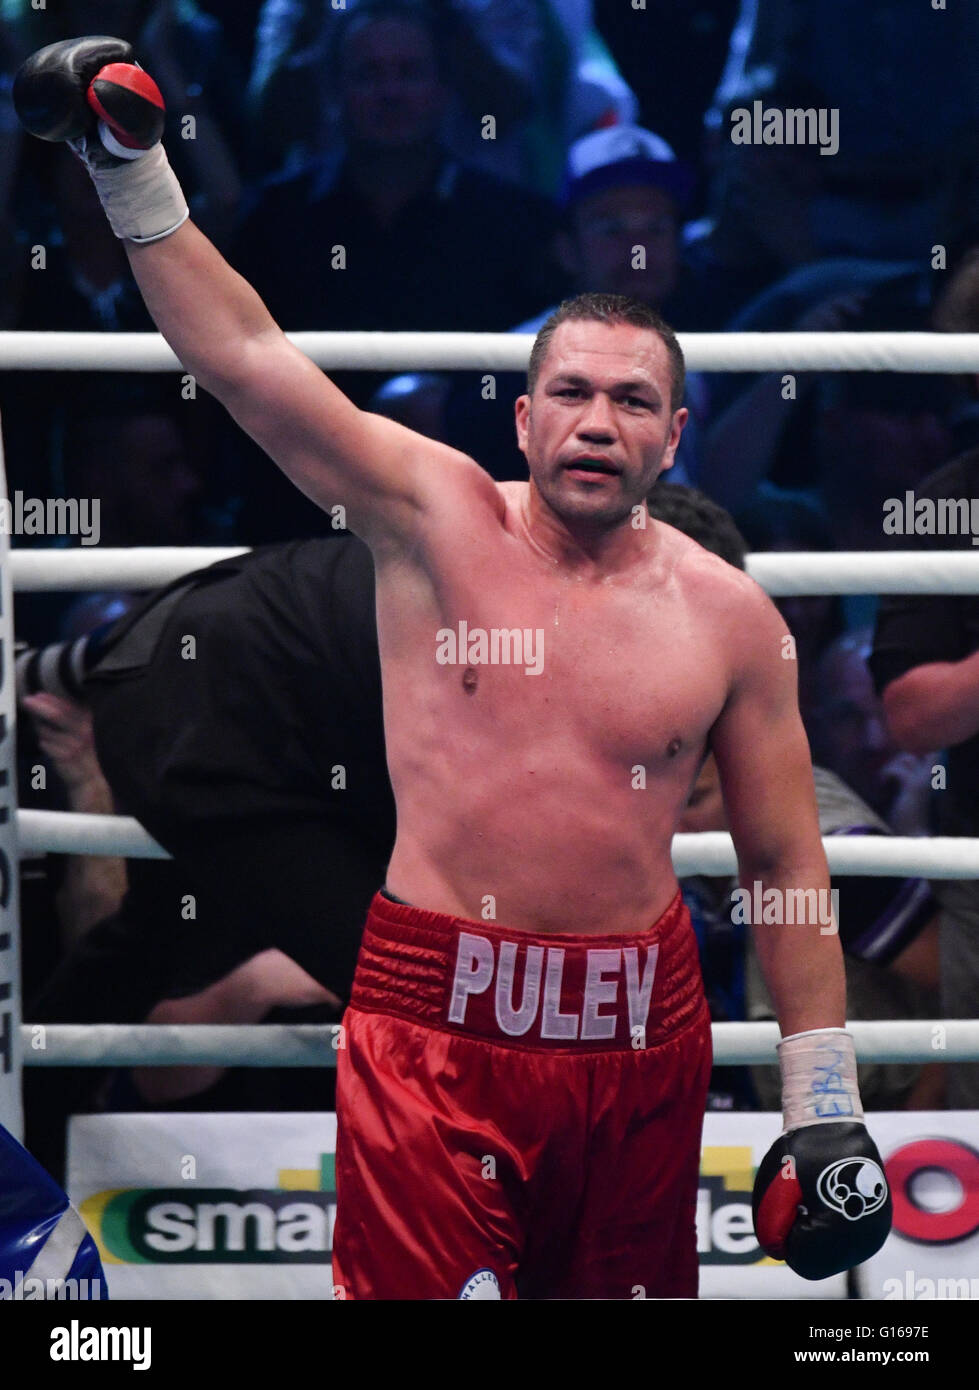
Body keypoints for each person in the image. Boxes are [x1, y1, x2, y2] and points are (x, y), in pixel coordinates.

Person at [14, 35, 892, 1298]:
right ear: (524, 419)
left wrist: (821, 1103)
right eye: (573, 394)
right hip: (440, 1015)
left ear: (674, 436)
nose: (599, 421)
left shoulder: (730, 617)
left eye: (633, 402)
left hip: (639, 1024)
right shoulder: (431, 517)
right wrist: (131, 169)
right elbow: (248, 359)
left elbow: (784, 858)